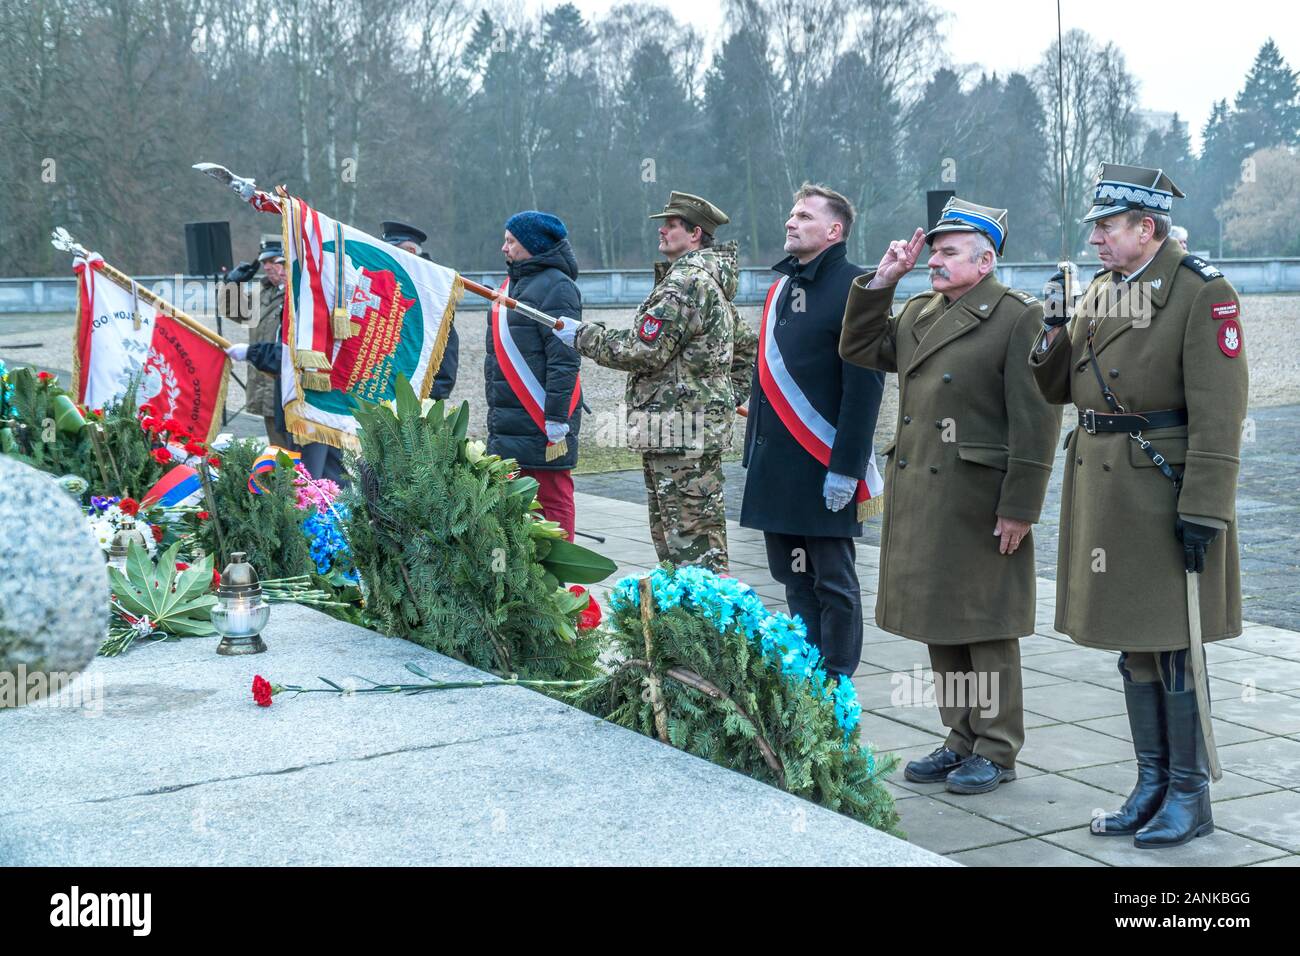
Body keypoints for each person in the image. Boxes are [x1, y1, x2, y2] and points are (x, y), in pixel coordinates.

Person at [1030, 163, 1248, 847]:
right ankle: (1151, 783)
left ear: (1145, 228)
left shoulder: (1201, 293)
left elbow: (1221, 413)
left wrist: (1205, 508)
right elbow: (1058, 387)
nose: (1095, 238)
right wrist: (1051, 328)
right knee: (1135, 645)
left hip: (1164, 489)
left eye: (1106, 226)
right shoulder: (1101, 291)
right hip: (1107, 488)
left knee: (1176, 645)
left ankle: (1191, 794)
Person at [839, 197, 1061, 794]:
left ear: (985, 260)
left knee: (986, 625)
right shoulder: (918, 311)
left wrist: (1021, 506)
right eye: (933, 250)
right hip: (924, 497)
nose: (933, 260)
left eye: (947, 251)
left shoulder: (1019, 317)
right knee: (943, 622)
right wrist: (880, 282)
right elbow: (860, 348)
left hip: (979, 498)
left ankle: (997, 747)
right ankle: (959, 736)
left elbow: (1036, 420)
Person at [553, 191, 756, 573]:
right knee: (686, 545)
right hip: (679, 432)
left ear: (695, 233)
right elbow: (748, 349)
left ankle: (704, 629)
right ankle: (691, 625)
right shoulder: (707, 280)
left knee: (691, 551)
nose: (662, 230)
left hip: (679, 435)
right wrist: (722, 400)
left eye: (672, 224)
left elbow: (643, 350)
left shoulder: (687, 283)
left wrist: (583, 336)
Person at [739, 183, 885, 682]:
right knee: (793, 579)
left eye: (803, 215)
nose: (790, 221)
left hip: (823, 463)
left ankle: (838, 684)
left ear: (833, 230)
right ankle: (806, 676)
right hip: (776, 463)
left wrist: (845, 468)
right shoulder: (783, 286)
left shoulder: (856, 287)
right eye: (791, 212)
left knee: (833, 583)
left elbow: (863, 388)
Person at [485, 211, 583, 539]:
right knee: (514, 504)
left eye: (511, 241)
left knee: (552, 500)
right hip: (510, 421)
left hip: (541, 419)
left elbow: (563, 360)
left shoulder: (558, 287)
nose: (504, 248)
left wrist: (556, 418)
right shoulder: (512, 284)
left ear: (532, 245)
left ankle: (558, 579)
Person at [219, 240, 290, 447]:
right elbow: (234, 311)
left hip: (283, 382)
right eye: (264, 262)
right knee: (277, 450)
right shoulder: (264, 293)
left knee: (291, 453)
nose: (267, 266)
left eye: (273, 261)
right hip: (265, 383)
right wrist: (231, 284)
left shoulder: (297, 294)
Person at [381, 220, 458, 399]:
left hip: (422, 387)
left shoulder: (433, 285)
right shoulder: (397, 278)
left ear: (411, 251)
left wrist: (435, 390)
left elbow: (443, 341)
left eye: (394, 250)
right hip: (391, 384)